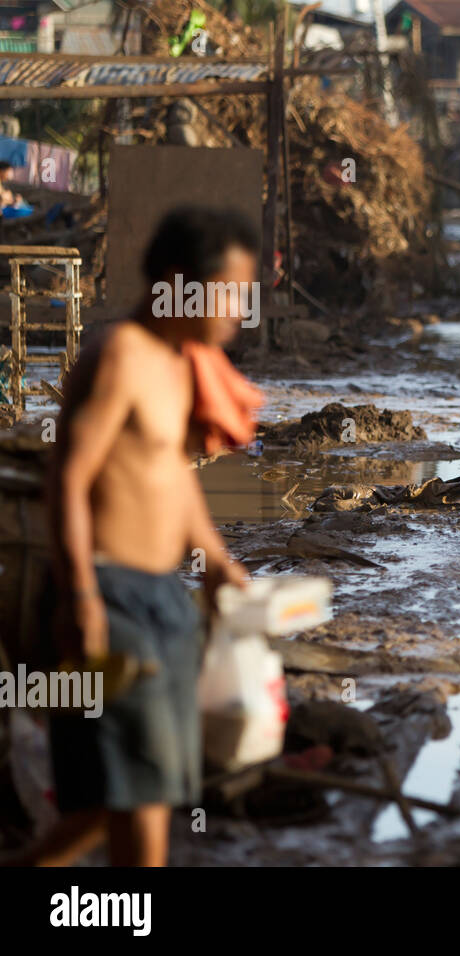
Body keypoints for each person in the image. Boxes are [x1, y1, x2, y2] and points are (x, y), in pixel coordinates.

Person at [24, 206, 260, 867]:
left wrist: (214, 559)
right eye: (232, 293)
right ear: (181, 281)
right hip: (109, 597)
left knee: (132, 795)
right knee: (135, 802)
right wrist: (80, 599)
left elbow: (173, 475)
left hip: (162, 598)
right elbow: (67, 479)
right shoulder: (119, 356)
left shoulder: (181, 362)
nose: (240, 310)